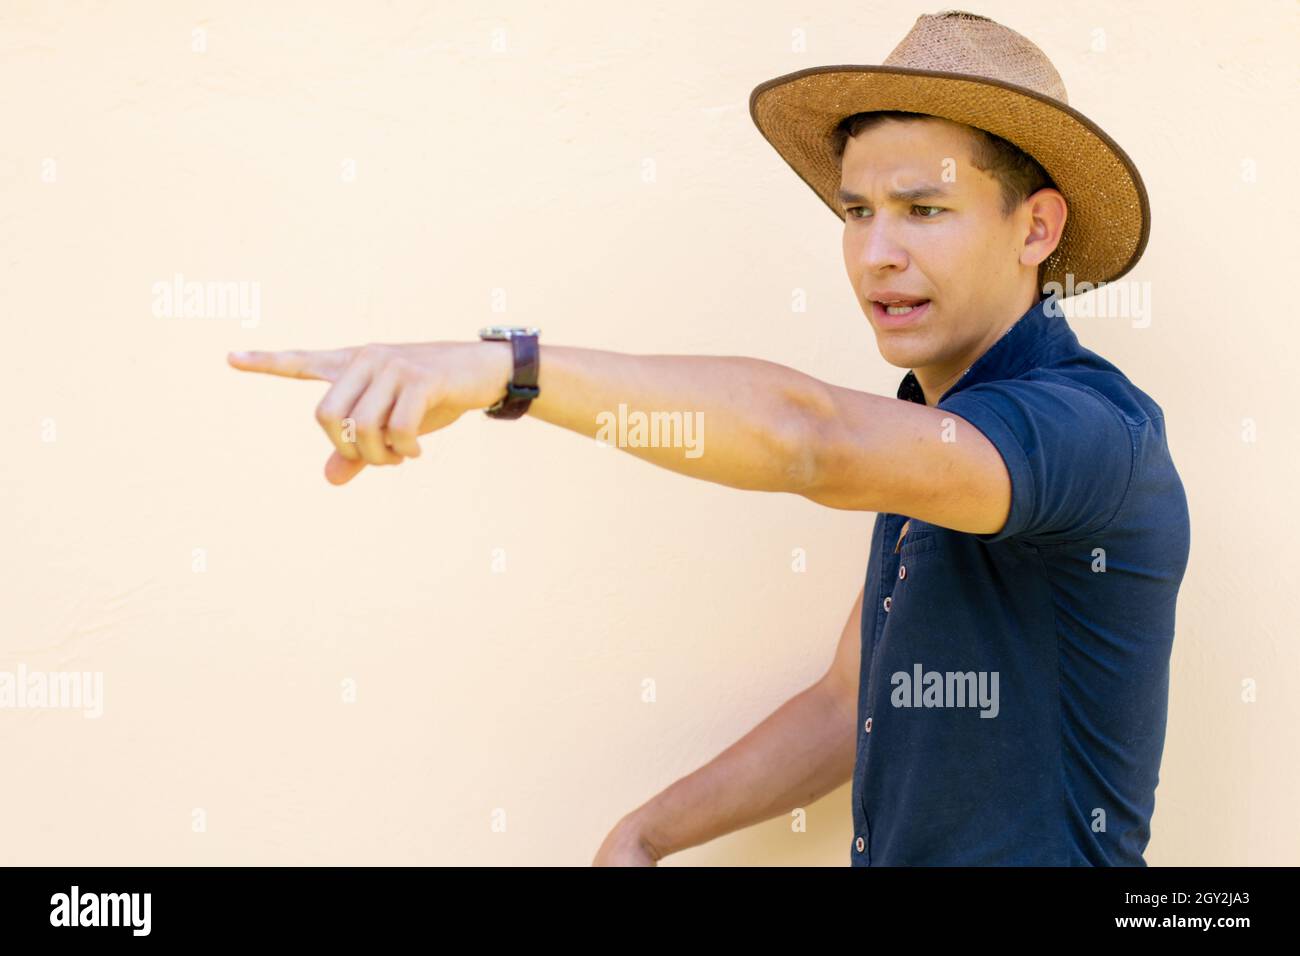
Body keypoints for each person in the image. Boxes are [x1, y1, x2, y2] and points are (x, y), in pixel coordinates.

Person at [228, 10, 1189, 866]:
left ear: (1037, 229)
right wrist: (647, 834)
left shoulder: (1088, 431)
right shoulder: (937, 440)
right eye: (857, 211)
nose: (876, 252)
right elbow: (845, 703)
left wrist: (504, 371)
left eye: (925, 209)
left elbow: (808, 441)